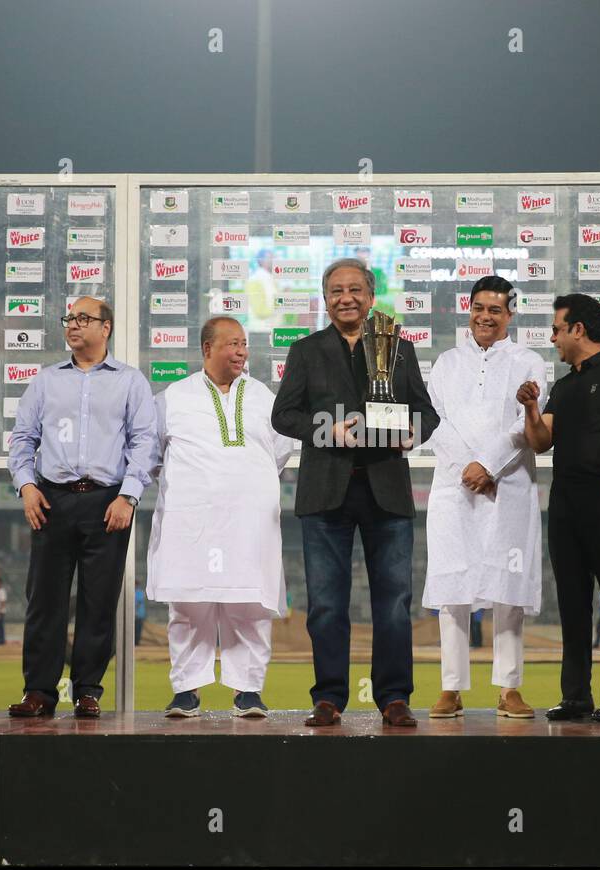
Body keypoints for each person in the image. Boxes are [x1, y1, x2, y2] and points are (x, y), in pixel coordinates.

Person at [272, 257, 440, 727]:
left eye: (354, 290)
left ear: (370, 296)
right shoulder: (305, 351)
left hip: (386, 489)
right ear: (325, 300)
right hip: (326, 493)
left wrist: (412, 432)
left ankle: (394, 698)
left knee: (394, 602)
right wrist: (329, 431)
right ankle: (328, 697)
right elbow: (283, 416)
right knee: (326, 604)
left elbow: (427, 413)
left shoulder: (398, 347)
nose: (345, 298)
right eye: (335, 291)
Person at [5, 296, 157, 719]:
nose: (73, 325)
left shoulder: (130, 381)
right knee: (44, 601)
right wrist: (27, 487)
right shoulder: (45, 381)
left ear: (105, 327)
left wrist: (128, 495)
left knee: (98, 601)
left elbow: (144, 442)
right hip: (52, 499)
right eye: (69, 318)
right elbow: (22, 440)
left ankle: (88, 690)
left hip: (108, 501)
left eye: (83, 318)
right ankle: (38, 691)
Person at [150, 316, 296, 719]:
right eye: (232, 344)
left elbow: (278, 453)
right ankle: (186, 690)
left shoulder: (264, 396)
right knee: (189, 606)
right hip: (190, 521)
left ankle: (248, 691)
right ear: (206, 349)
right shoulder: (172, 398)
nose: (241, 351)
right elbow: (152, 456)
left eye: (244, 344)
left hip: (249, 521)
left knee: (249, 604)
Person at [519, 294, 600, 722]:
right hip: (564, 501)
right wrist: (531, 409)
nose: (553, 337)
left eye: (557, 328)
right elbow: (541, 441)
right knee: (573, 601)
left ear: (578, 329)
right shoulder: (564, 384)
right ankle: (576, 696)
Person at [422, 276, 546, 719]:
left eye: (495, 309)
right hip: (454, 487)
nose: (486, 316)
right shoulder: (447, 362)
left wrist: (489, 467)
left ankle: (509, 687)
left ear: (510, 314)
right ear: (468, 309)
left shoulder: (529, 361)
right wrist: (469, 469)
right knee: (452, 584)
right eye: (479, 307)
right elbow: (435, 422)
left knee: (507, 587)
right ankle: (451, 687)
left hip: (508, 488)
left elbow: (524, 427)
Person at [133, 581, 146, 647]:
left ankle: (136, 644)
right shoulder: (134, 593)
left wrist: (135, 612)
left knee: (138, 630)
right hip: (133, 615)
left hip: (138, 615)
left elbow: (139, 603)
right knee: (133, 630)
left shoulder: (139, 593)